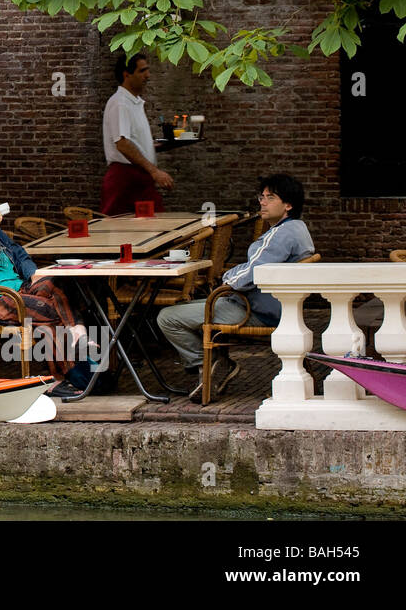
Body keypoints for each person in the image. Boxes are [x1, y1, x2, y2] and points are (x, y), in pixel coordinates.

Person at [156, 174, 315, 398]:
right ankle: (218, 364)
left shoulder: (281, 234)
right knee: (193, 306)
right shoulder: (297, 229)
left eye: (270, 197)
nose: (262, 202)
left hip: (254, 311)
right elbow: (256, 266)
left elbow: (251, 274)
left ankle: (207, 367)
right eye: (262, 196)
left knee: (167, 317)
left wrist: (226, 279)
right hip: (275, 308)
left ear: (288, 205)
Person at [0, 175, 89, 397]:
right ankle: (71, 365)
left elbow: (19, 254)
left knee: (58, 282)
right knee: (46, 312)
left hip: (18, 291)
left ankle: (69, 354)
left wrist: (33, 275)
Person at [100, 52, 173, 215]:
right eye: (142, 71)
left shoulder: (133, 103)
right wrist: (155, 171)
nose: (148, 75)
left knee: (153, 227)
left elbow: (130, 141)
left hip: (139, 178)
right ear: (127, 75)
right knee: (119, 230)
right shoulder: (121, 104)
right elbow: (122, 143)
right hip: (125, 179)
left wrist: (152, 146)